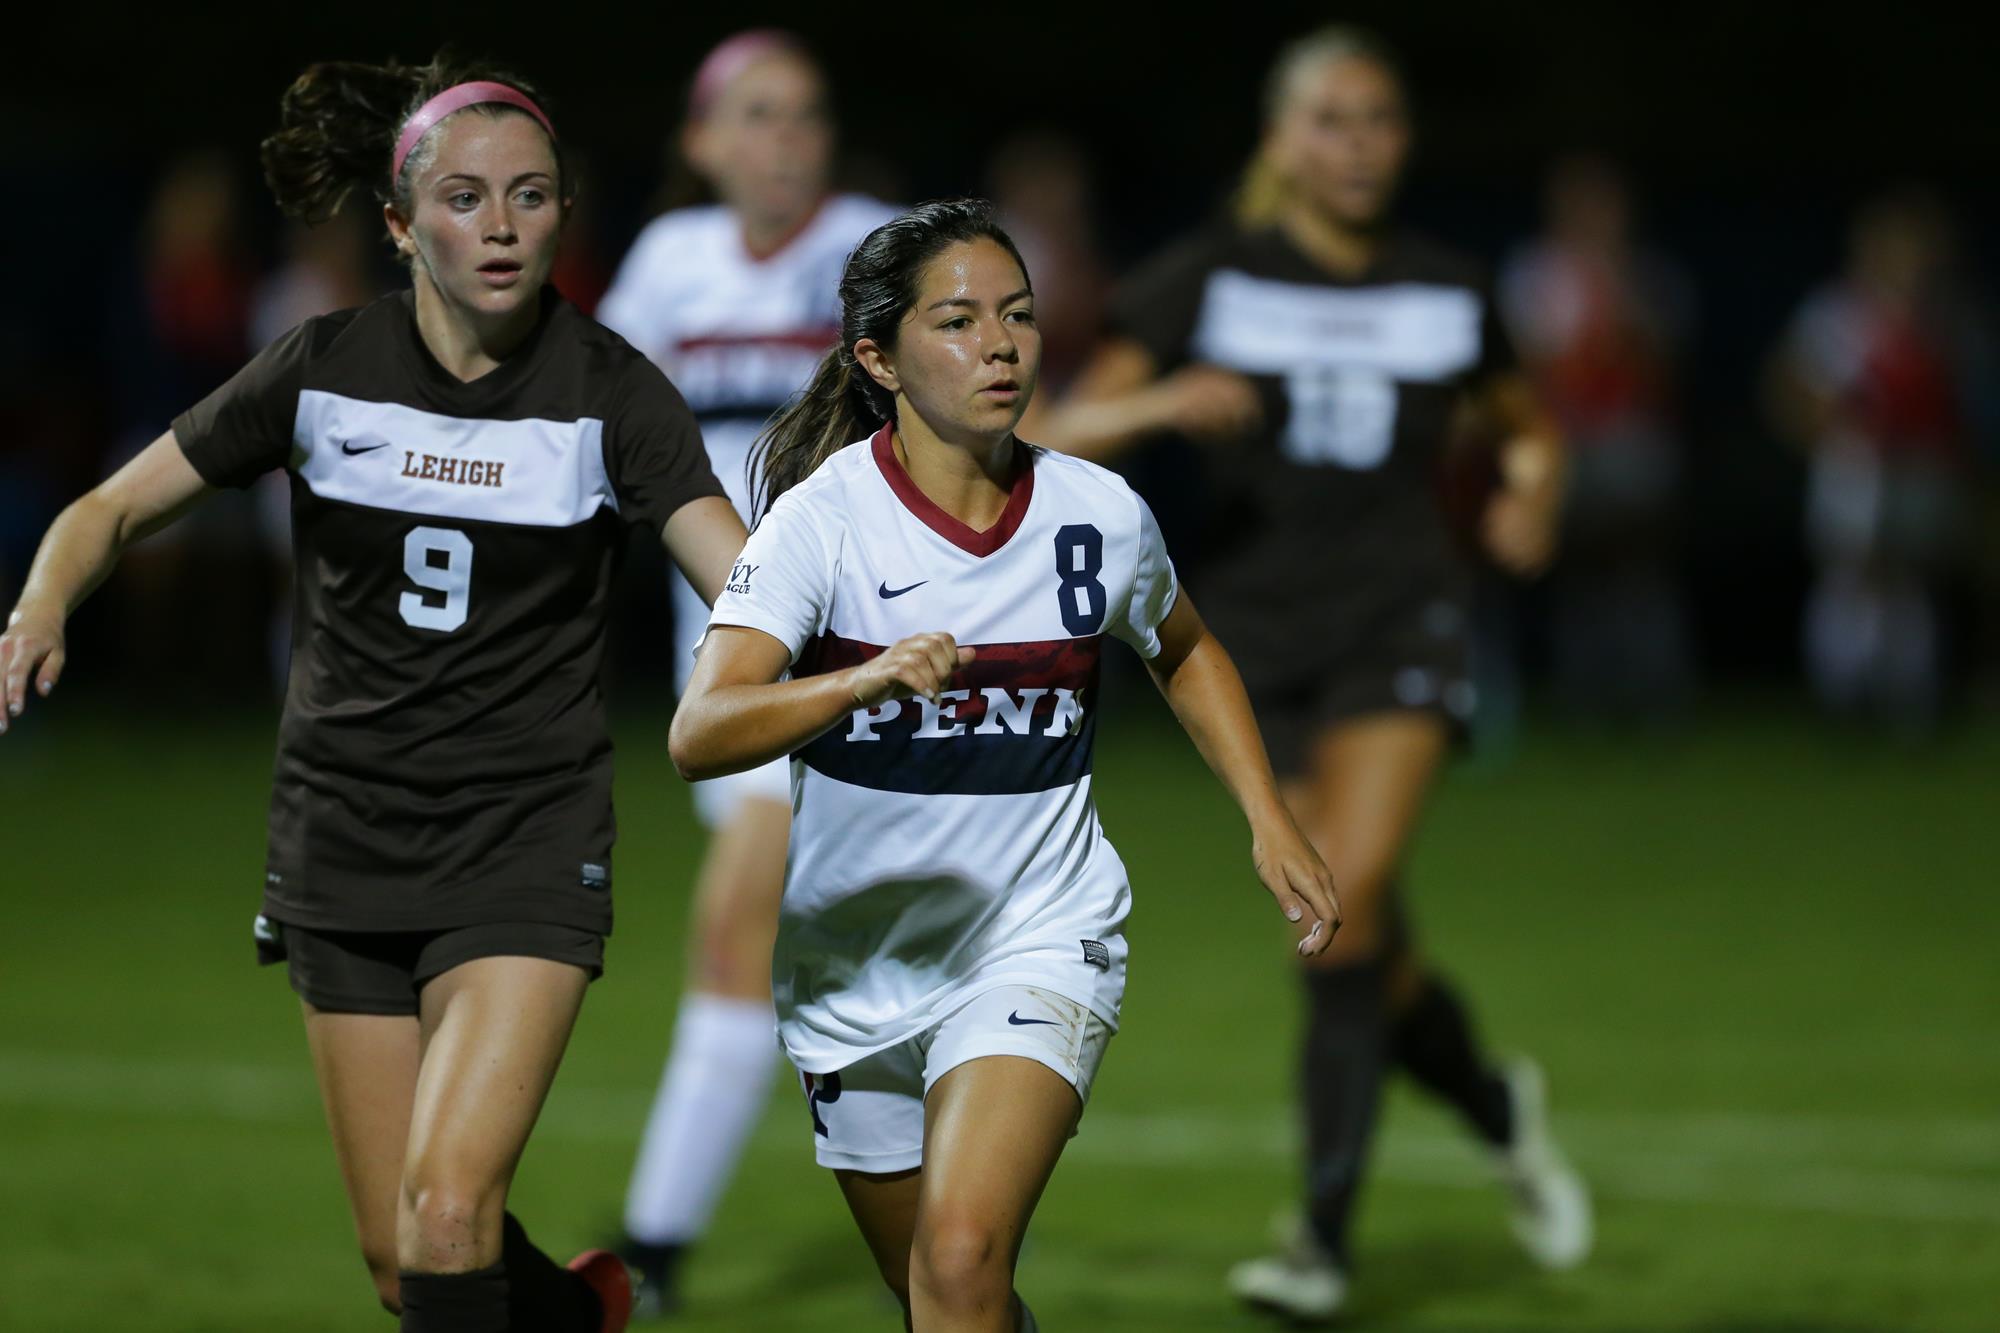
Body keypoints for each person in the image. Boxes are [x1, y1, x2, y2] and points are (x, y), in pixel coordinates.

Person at [0, 55, 749, 1333]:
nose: (501, 225)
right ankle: (574, 1317)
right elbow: (109, 507)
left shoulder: (612, 392)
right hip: (342, 838)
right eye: (464, 198)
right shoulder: (322, 368)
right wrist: (41, 603)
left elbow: (742, 584)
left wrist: (838, 660)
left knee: (446, 1211)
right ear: (400, 226)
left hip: (523, 839)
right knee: (404, 1259)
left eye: (530, 195)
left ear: (565, 216)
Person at [670, 198, 1340, 1332]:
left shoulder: (1095, 511)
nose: (1000, 345)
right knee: (937, 1294)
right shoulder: (820, 524)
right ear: (877, 360)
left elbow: (1183, 648)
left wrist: (1266, 815)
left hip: (1035, 936)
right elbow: (700, 731)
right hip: (853, 968)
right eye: (958, 321)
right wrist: (858, 681)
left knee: (958, 1257)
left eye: (1018, 316)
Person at [1029, 26, 1591, 1322]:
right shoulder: (1210, 277)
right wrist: (1161, 405)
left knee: (1336, 902)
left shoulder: (1447, 288)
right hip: (1255, 644)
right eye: (1331, 120)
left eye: (1378, 118)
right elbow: (1057, 429)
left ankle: (1320, 1245)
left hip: (1402, 625)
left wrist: (1533, 495)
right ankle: (1491, 1099)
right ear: (1281, 138)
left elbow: (1528, 432)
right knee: (1363, 933)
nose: (1358, 144)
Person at [592, 29, 895, 1315]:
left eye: (805, 113)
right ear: (702, 141)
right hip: (722, 661)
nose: (786, 139)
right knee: (852, 961)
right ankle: (949, 1247)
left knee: (742, 935)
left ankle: (651, 1250)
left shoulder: (879, 254)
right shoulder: (671, 263)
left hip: (854, 658)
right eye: (758, 114)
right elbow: (587, 423)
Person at [1765, 188, 1982, 733]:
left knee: (1910, 581)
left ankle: (1908, 700)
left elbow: (1962, 400)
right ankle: (1844, 695)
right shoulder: (1836, 312)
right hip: (1856, 465)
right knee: (1852, 576)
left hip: (1922, 463)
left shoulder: (1944, 317)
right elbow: (1791, 388)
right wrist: (1825, 427)